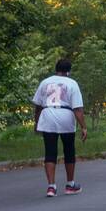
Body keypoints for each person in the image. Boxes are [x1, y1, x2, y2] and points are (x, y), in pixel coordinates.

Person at [32, 58, 86, 197]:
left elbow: (38, 106)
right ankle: (70, 184)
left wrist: (36, 123)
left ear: (56, 69)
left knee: (50, 151)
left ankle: (51, 187)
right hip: (65, 116)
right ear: (68, 71)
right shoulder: (72, 83)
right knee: (69, 150)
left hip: (47, 115)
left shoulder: (45, 82)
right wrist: (83, 127)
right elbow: (78, 108)